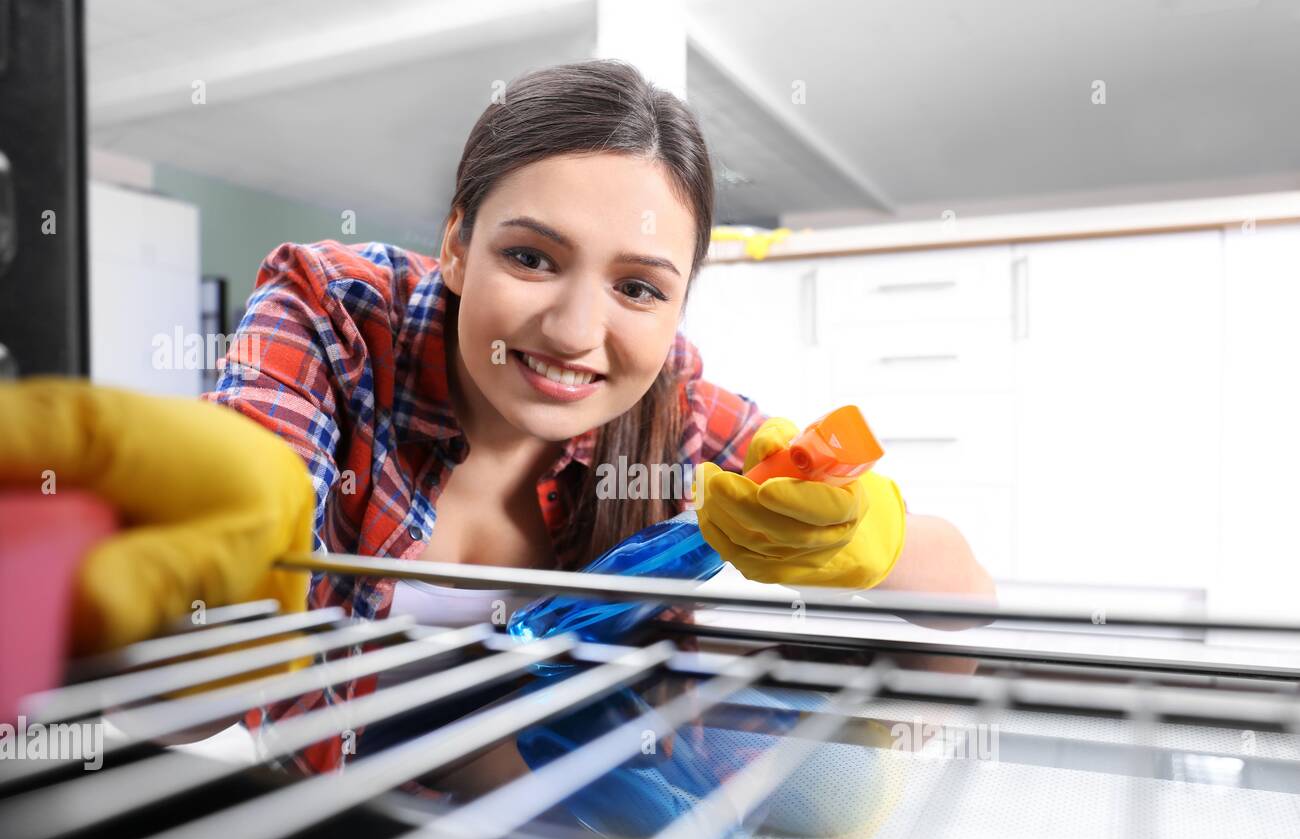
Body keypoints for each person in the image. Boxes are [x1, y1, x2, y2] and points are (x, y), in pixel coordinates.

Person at [202, 59, 993, 776]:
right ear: (456, 243)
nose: (577, 332)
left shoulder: (668, 409)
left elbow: (968, 595)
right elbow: (200, 664)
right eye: (532, 258)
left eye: (638, 288)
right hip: (330, 833)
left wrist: (862, 534)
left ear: (680, 302)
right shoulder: (331, 318)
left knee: (844, 787)